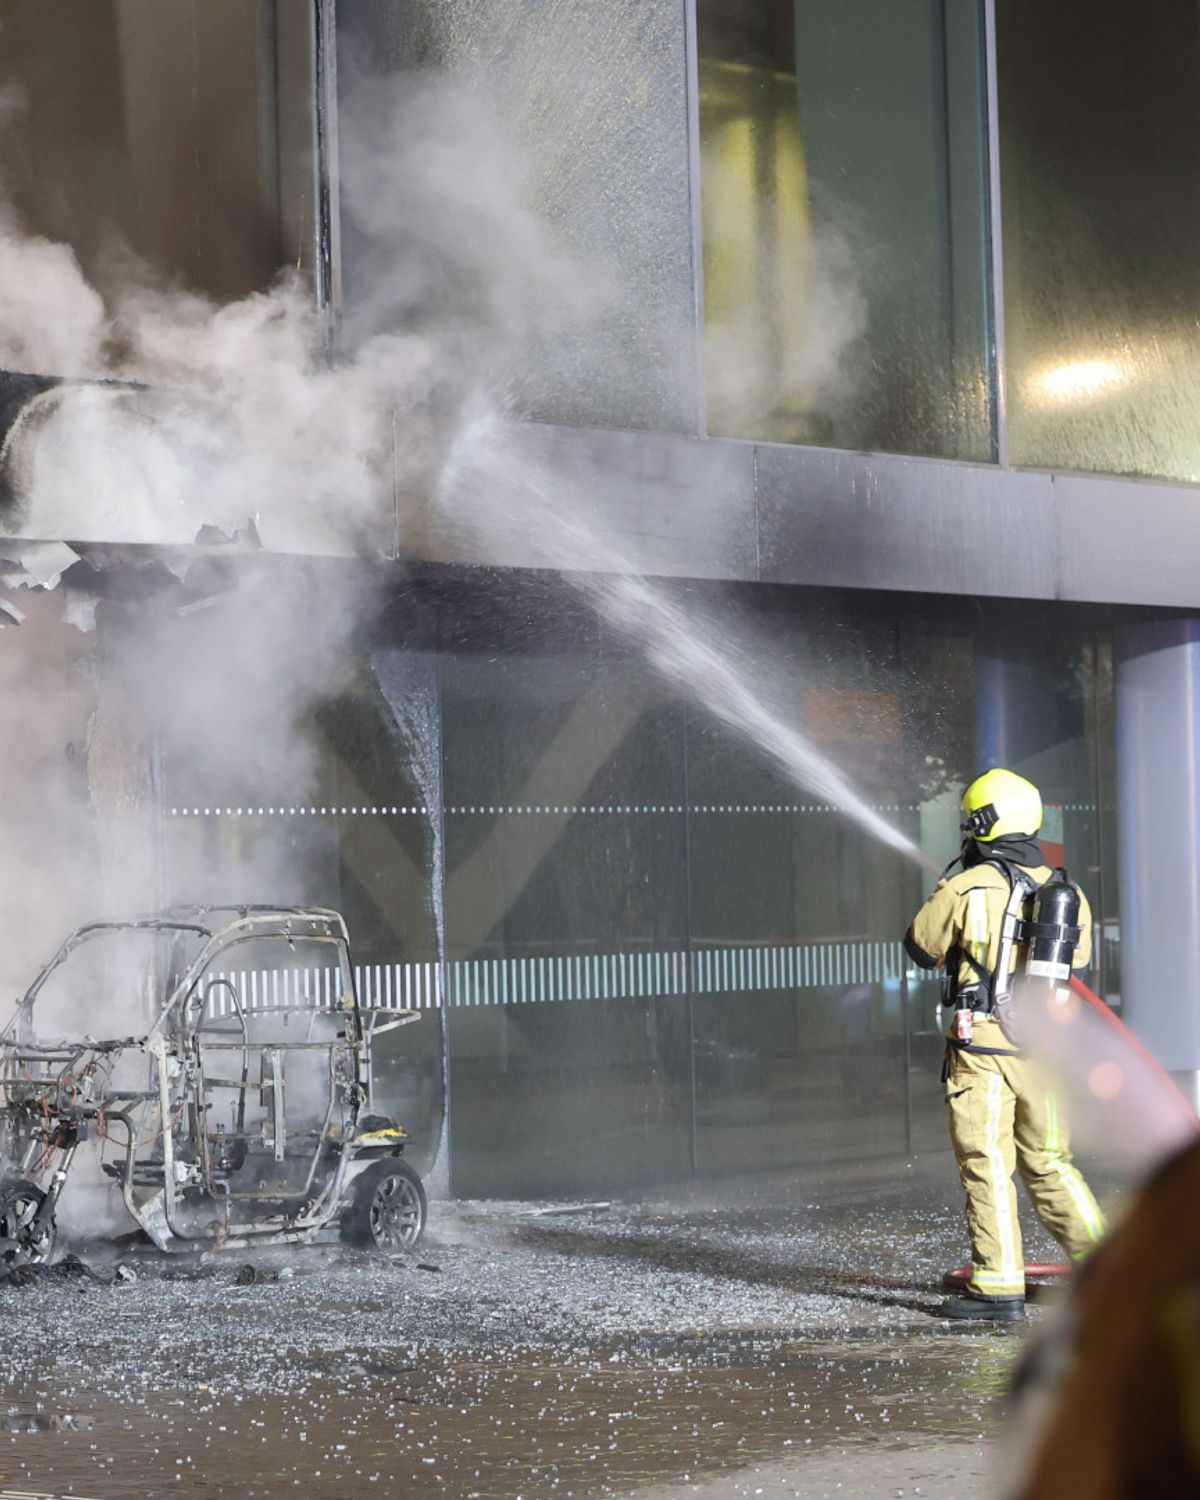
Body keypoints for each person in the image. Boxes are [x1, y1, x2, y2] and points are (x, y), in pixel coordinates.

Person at [904, 768, 1105, 1321]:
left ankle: (996, 1290)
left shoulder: (968, 888)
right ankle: (1113, 1275)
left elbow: (920, 947)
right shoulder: (1067, 891)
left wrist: (960, 881)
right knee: (1050, 1162)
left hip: (983, 1051)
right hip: (1048, 1051)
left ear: (978, 823)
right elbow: (1079, 965)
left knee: (987, 1162)